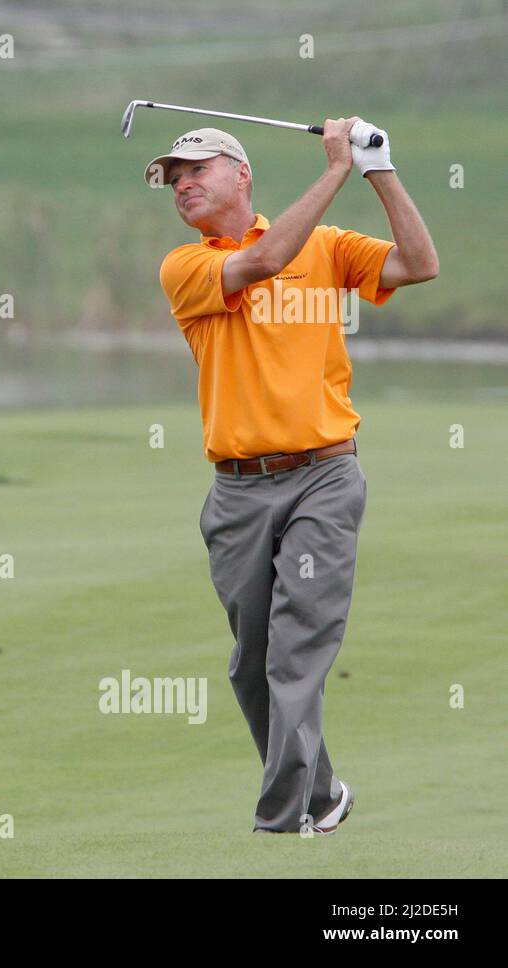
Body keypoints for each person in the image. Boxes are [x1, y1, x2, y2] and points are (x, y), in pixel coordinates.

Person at [146, 119, 438, 834]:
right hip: (238, 490)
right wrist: (336, 168)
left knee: (298, 642)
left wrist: (379, 170)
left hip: (323, 477)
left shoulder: (331, 249)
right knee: (253, 665)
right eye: (173, 178)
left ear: (242, 174)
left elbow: (419, 263)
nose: (182, 184)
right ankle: (322, 792)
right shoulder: (186, 266)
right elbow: (265, 262)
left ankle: (281, 820)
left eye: (196, 169)